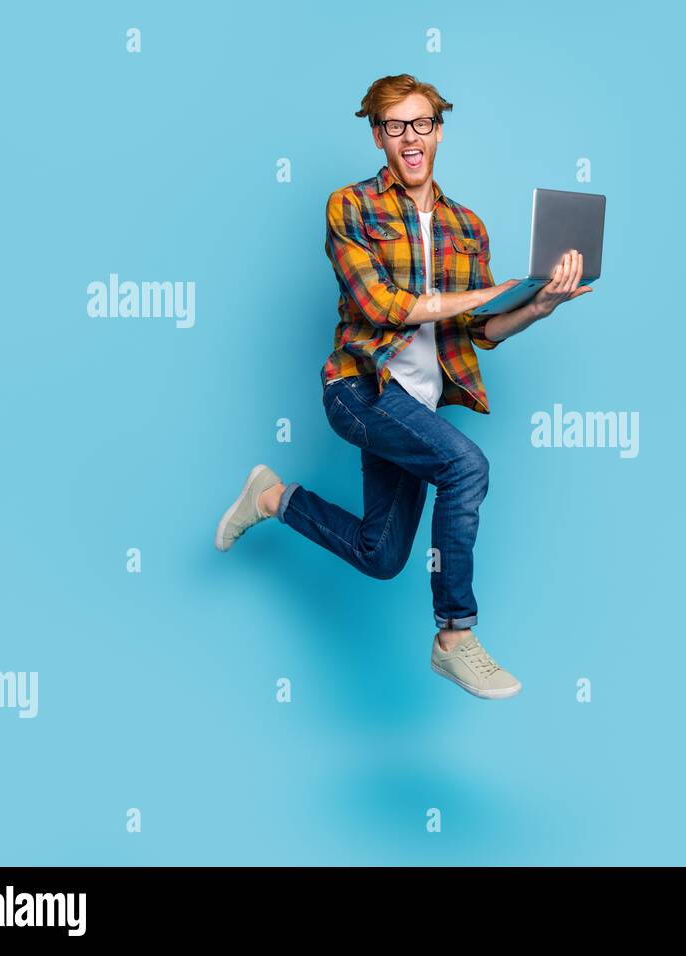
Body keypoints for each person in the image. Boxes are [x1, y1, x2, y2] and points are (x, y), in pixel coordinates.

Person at [214, 74, 591, 699]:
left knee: (382, 554)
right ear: (377, 135)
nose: (410, 138)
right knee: (466, 467)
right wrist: (490, 293)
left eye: (422, 124)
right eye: (396, 126)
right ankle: (455, 636)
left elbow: (480, 329)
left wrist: (536, 307)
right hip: (359, 390)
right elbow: (380, 304)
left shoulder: (466, 226)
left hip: (413, 405)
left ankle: (272, 497)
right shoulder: (350, 206)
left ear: (438, 132)